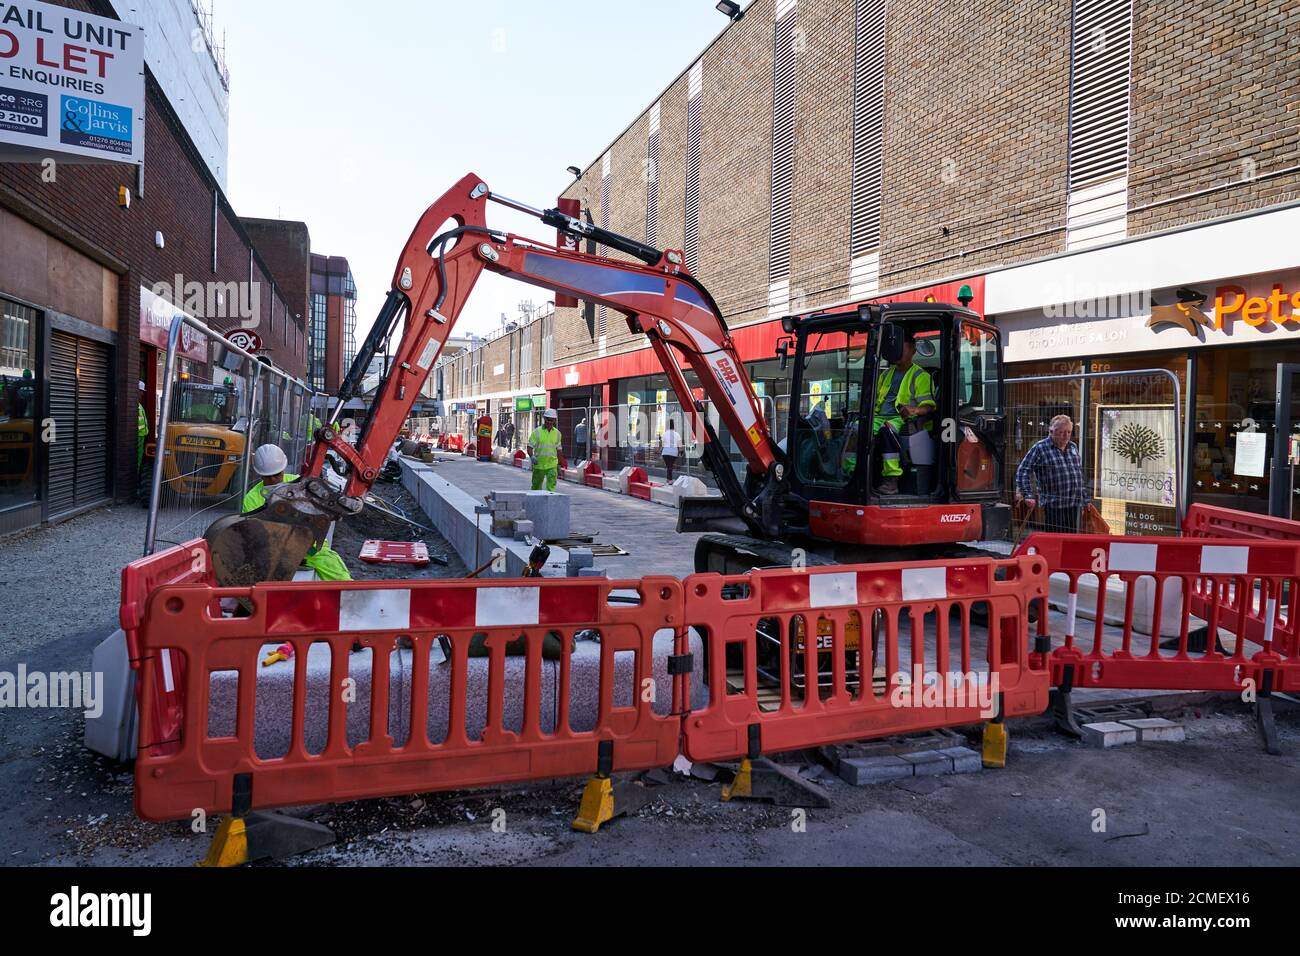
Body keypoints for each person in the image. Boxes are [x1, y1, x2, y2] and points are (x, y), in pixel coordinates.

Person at [242, 444, 352, 581]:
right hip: (274, 550)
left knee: (333, 568)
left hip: (310, 544)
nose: (273, 480)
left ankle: (349, 596)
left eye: (277, 475)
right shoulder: (251, 499)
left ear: (283, 469)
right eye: (267, 476)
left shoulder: (299, 483)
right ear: (260, 474)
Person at [873, 331, 937, 495]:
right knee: (856, 429)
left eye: (903, 348)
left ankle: (892, 479)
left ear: (913, 351)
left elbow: (929, 407)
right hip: (878, 417)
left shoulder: (921, 376)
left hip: (902, 420)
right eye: (897, 349)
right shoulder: (885, 374)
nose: (899, 352)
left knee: (887, 430)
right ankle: (852, 471)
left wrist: (914, 409)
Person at [1016, 414, 1086, 533]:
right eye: (1062, 432)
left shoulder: (1073, 447)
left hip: (1073, 504)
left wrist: (1085, 499)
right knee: (1055, 541)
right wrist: (1027, 494)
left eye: (1069, 432)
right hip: (1054, 505)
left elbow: (1077, 474)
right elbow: (1023, 470)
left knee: (1070, 540)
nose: (1066, 436)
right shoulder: (1040, 448)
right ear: (1051, 431)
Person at [527, 408, 563, 492]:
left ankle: (549, 502)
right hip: (539, 464)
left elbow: (559, 450)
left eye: (551, 420)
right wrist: (532, 456)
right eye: (547, 419)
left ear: (554, 420)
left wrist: (559, 464)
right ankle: (535, 502)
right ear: (544, 419)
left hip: (552, 464)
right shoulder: (537, 432)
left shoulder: (557, 433)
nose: (549, 422)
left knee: (551, 487)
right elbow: (529, 447)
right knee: (536, 486)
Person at [136, 380, 149, 469]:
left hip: (142, 435)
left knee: (139, 458)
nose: (142, 394)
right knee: (137, 458)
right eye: (141, 391)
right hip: (138, 436)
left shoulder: (139, 405)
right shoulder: (136, 406)